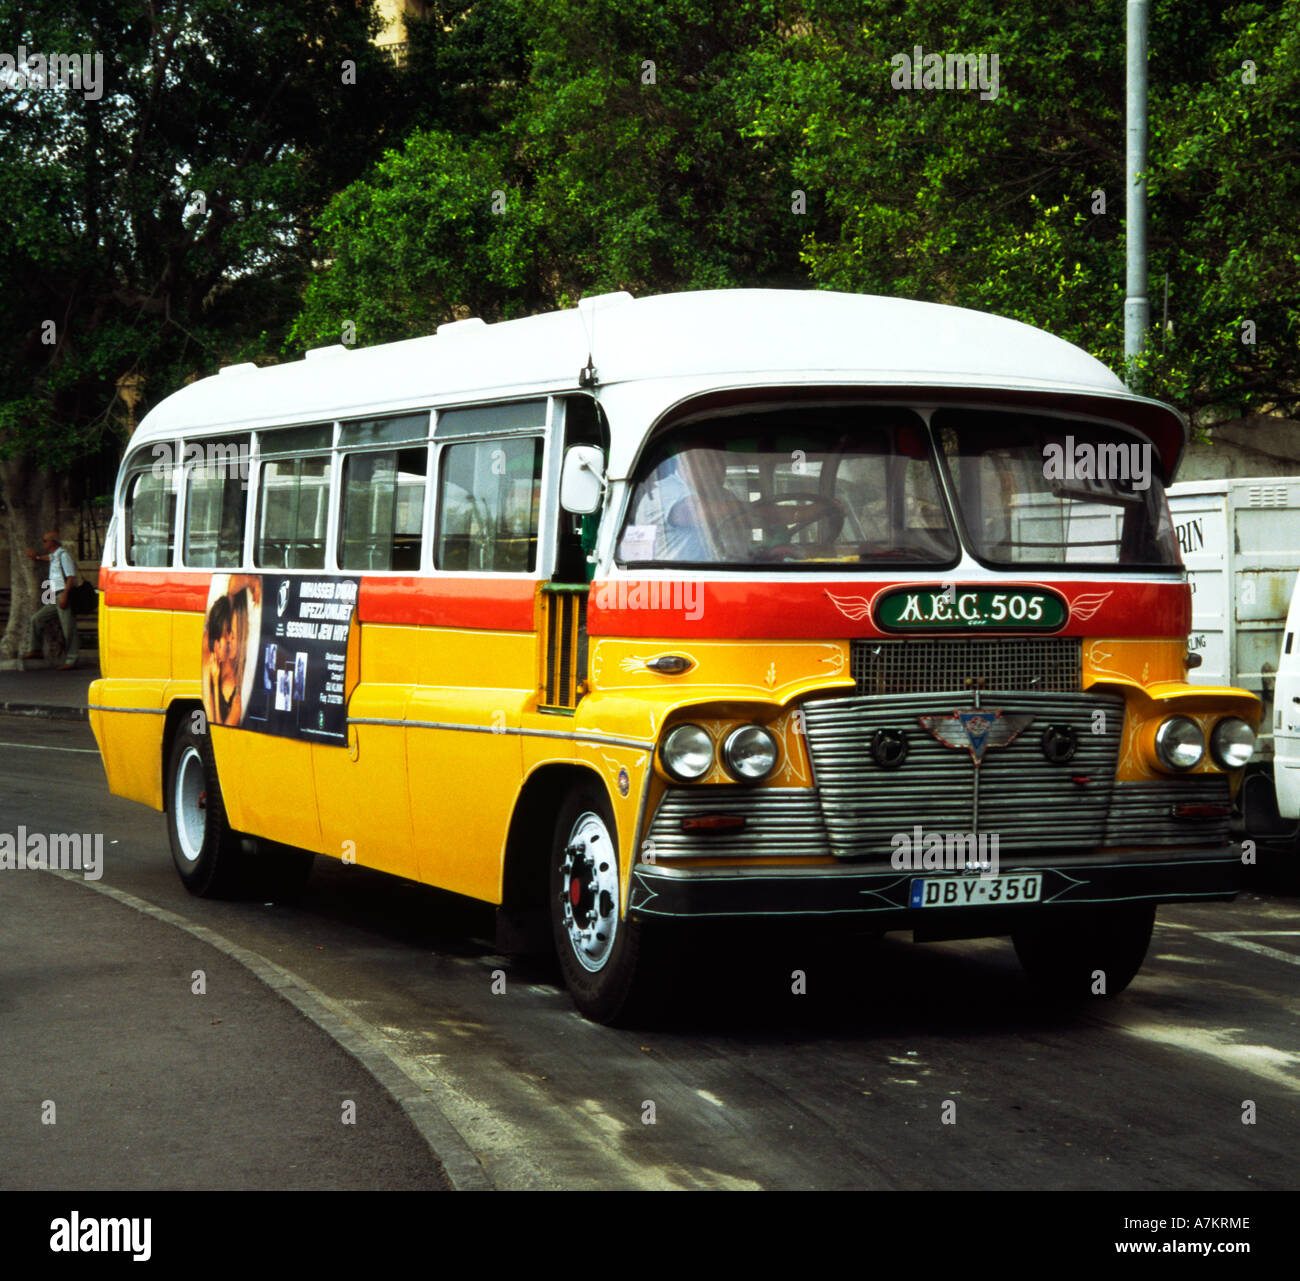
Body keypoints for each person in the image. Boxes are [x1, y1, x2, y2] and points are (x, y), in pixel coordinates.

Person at [22, 531, 80, 670]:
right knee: (37, 618)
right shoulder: (55, 556)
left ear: (52, 542)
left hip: (62, 595)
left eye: (45, 540)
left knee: (68, 628)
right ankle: (36, 649)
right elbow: (49, 558)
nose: (43, 543)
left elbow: (71, 576)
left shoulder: (64, 556)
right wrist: (36, 557)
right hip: (52, 593)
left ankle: (71, 660)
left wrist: (65, 595)